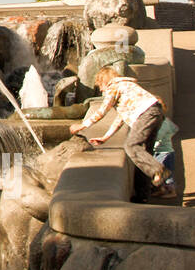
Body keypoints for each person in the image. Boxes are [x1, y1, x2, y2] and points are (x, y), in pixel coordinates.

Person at [68, 67, 168, 196]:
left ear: (104, 81)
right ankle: (146, 192)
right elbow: (121, 118)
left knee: (131, 145)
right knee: (143, 152)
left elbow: (103, 110)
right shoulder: (127, 86)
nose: (101, 90)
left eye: (100, 86)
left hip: (145, 114)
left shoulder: (114, 86)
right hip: (156, 112)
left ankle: (158, 171)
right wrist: (105, 137)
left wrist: (82, 125)